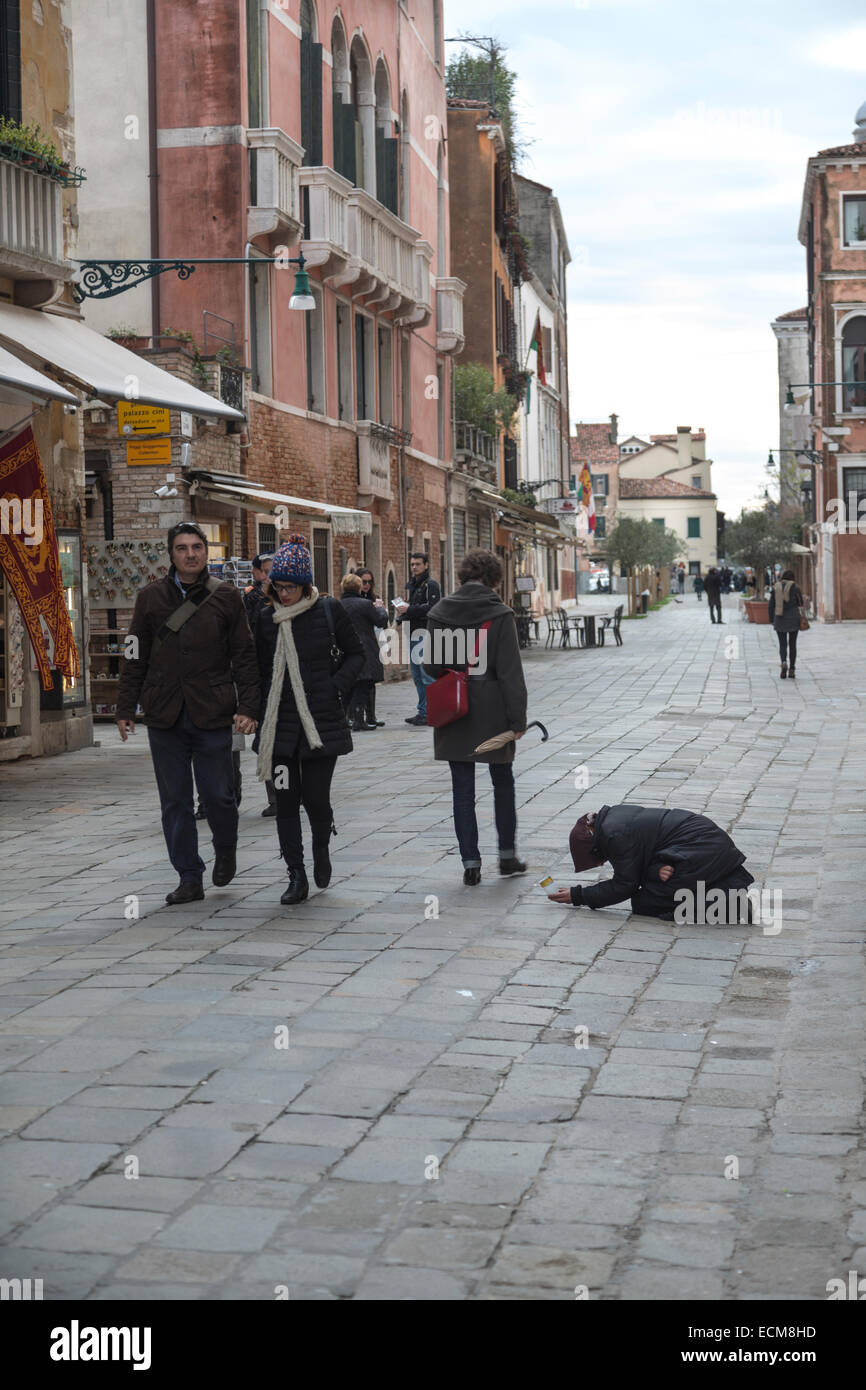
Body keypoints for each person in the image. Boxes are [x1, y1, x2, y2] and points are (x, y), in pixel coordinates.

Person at [116, 522, 259, 906]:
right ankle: (189, 875)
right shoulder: (149, 598)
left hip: (212, 711)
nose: (191, 554)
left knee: (219, 796)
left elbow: (245, 656)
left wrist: (248, 706)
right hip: (164, 714)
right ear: (171, 553)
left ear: (205, 552)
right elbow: (134, 653)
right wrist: (126, 707)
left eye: (197, 547)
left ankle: (225, 848)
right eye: (182, 548)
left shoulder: (227, 597)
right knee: (175, 801)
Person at [254, 534, 364, 906]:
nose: (284, 593)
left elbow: (356, 655)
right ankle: (296, 874)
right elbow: (256, 670)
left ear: (306, 586)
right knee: (286, 801)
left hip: (320, 727)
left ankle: (321, 845)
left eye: (291, 587)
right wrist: (250, 711)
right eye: (278, 585)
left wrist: (335, 689)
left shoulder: (330, 611)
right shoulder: (265, 618)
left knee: (316, 799)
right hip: (281, 731)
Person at [423, 548, 528, 886]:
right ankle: (507, 856)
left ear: (463, 575)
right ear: (493, 578)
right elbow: (511, 674)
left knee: (462, 791)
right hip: (493, 713)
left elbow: (430, 666)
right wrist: (518, 720)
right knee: (503, 784)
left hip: (455, 711)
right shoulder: (500, 614)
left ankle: (471, 863)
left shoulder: (440, 612)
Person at [547, 805, 754, 923]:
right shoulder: (613, 819)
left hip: (698, 849)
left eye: (598, 859)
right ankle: (729, 892)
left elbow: (625, 884)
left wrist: (578, 895)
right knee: (653, 890)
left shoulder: (614, 835)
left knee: (645, 903)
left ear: (594, 846)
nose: (602, 862)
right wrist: (657, 869)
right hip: (703, 844)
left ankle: (727, 905)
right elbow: (645, 853)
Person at [339, 572, 388, 731]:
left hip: (344, 648)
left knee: (350, 685)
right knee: (363, 684)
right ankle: (359, 720)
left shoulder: (338, 604)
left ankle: (347, 719)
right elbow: (381, 621)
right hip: (364, 647)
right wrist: (380, 608)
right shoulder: (364, 604)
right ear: (359, 587)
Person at [398, 552, 441, 725]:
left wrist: (409, 609)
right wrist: (403, 613)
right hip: (413, 633)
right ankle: (423, 712)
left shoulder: (431, 585)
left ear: (426, 565)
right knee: (416, 675)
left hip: (425, 634)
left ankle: (434, 711)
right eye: (412, 564)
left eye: (417, 564)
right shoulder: (414, 585)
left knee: (427, 675)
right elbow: (414, 608)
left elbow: (432, 608)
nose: (414, 567)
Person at [356, 568, 386, 726]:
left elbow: (382, 622)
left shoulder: (374, 598)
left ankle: (371, 716)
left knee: (371, 679)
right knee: (362, 680)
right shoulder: (356, 599)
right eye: (363, 581)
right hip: (360, 643)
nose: (366, 585)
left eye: (369, 582)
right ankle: (358, 716)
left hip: (373, 641)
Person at [768, 568, 804, 680]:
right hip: (793, 618)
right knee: (792, 645)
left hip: (779, 618)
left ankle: (783, 662)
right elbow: (801, 603)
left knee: (782, 644)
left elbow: (771, 605)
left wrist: (771, 620)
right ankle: (792, 668)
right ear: (792, 577)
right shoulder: (796, 587)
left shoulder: (775, 588)